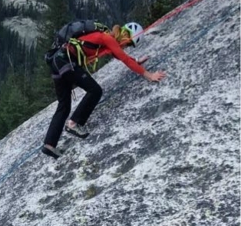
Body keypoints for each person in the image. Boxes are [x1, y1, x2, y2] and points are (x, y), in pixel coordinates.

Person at [41, 22, 166, 158]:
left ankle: (49, 144)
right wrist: (149, 75)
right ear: (126, 37)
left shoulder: (106, 37)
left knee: (63, 105)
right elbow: (124, 58)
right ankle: (73, 123)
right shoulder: (108, 38)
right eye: (129, 44)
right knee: (95, 90)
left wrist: (136, 61)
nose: (126, 46)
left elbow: (120, 55)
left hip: (57, 61)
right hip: (66, 62)